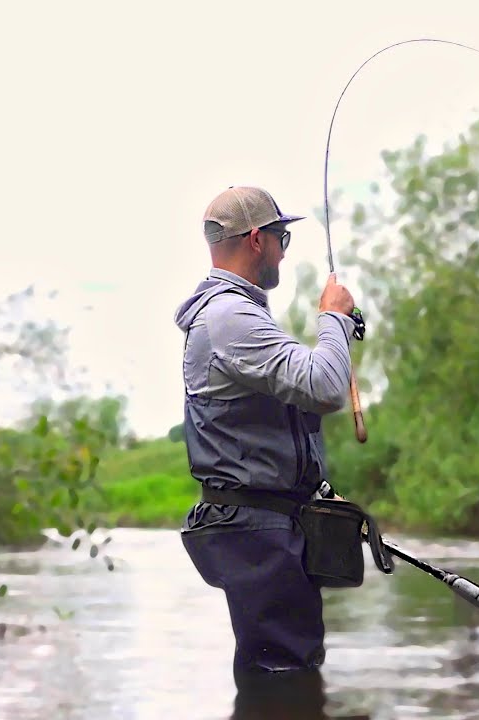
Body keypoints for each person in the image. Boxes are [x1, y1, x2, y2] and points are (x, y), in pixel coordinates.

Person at [174, 185, 358, 674]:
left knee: (285, 671)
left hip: (267, 527)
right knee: (283, 676)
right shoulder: (230, 317)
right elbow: (324, 386)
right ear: (257, 239)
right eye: (282, 237)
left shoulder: (238, 315)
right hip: (258, 530)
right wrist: (334, 318)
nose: (282, 249)